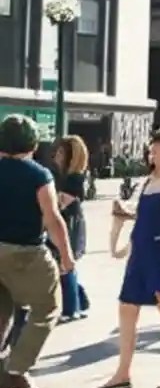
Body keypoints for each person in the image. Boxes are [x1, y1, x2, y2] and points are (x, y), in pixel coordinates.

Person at [102, 130, 160, 388]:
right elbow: (144, 216)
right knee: (127, 307)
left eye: (159, 149)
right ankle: (122, 372)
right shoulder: (149, 181)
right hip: (140, 252)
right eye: (152, 149)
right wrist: (125, 215)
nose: (153, 154)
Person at [0, 115, 75, 388]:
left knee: (1, 311)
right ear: (32, 143)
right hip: (26, 252)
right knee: (47, 307)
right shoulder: (38, 174)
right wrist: (67, 258)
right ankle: (16, 369)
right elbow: (53, 219)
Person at [52, 135, 92, 321]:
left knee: (64, 265)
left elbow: (61, 203)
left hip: (70, 223)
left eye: (60, 152)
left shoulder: (73, 179)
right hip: (69, 221)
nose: (56, 157)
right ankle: (80, 301)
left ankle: (71, 309)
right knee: (64, 264)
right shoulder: (68, 176)